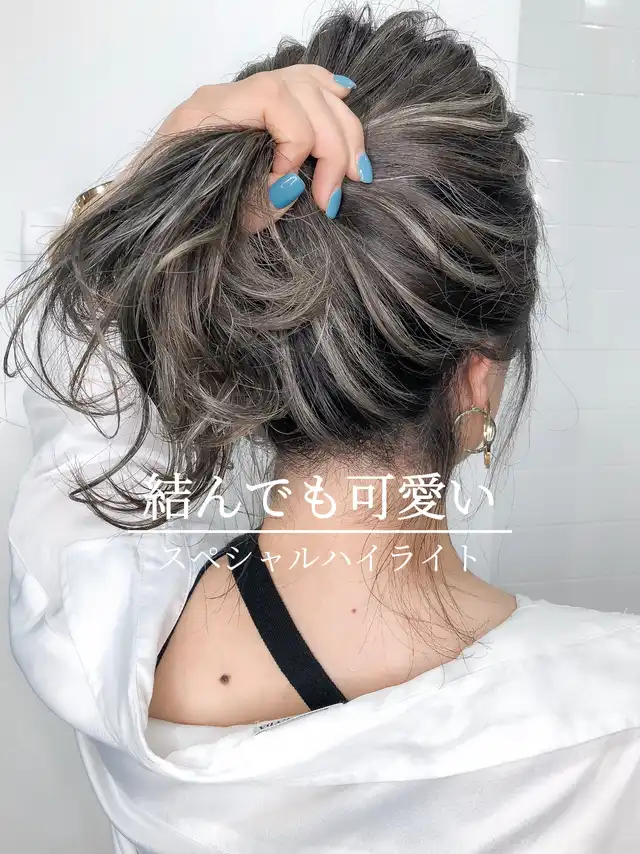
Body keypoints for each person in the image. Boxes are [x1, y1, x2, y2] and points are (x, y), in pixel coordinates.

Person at [4, 6, 640, 853]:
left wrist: (166, 161)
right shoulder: (610, 723)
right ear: (477, 380)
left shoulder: (95, 630)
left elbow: (80, 385)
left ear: (243, 344)